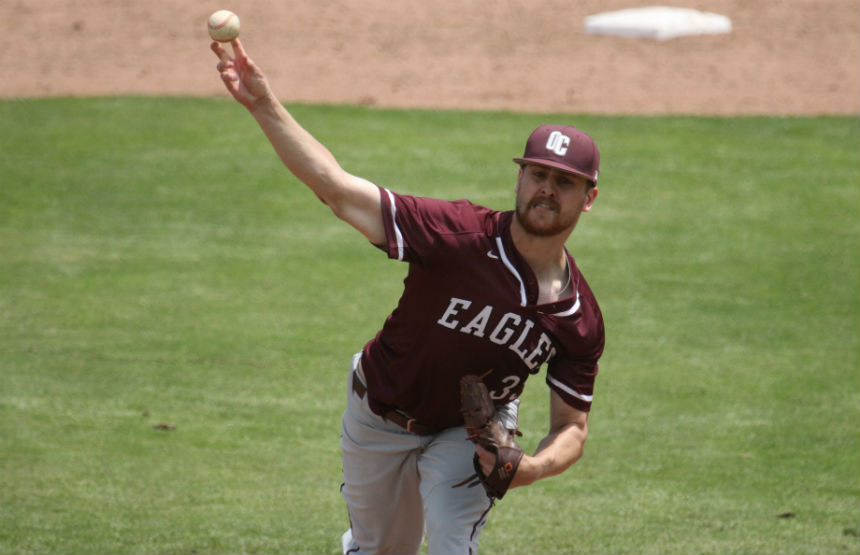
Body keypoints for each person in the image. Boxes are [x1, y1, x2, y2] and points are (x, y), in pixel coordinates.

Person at [211, 38, 605, 555]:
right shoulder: (458, 235)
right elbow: (337, 189)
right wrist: (263, 104)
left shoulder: (578, 318)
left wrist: (530, 468)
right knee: (382, 550)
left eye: (565, 182)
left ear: (588, 198)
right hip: (379, 411)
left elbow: (571, 428)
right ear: (520, 177)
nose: (547, 190)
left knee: (449, 542)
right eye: (538, 174)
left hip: (470, 433)